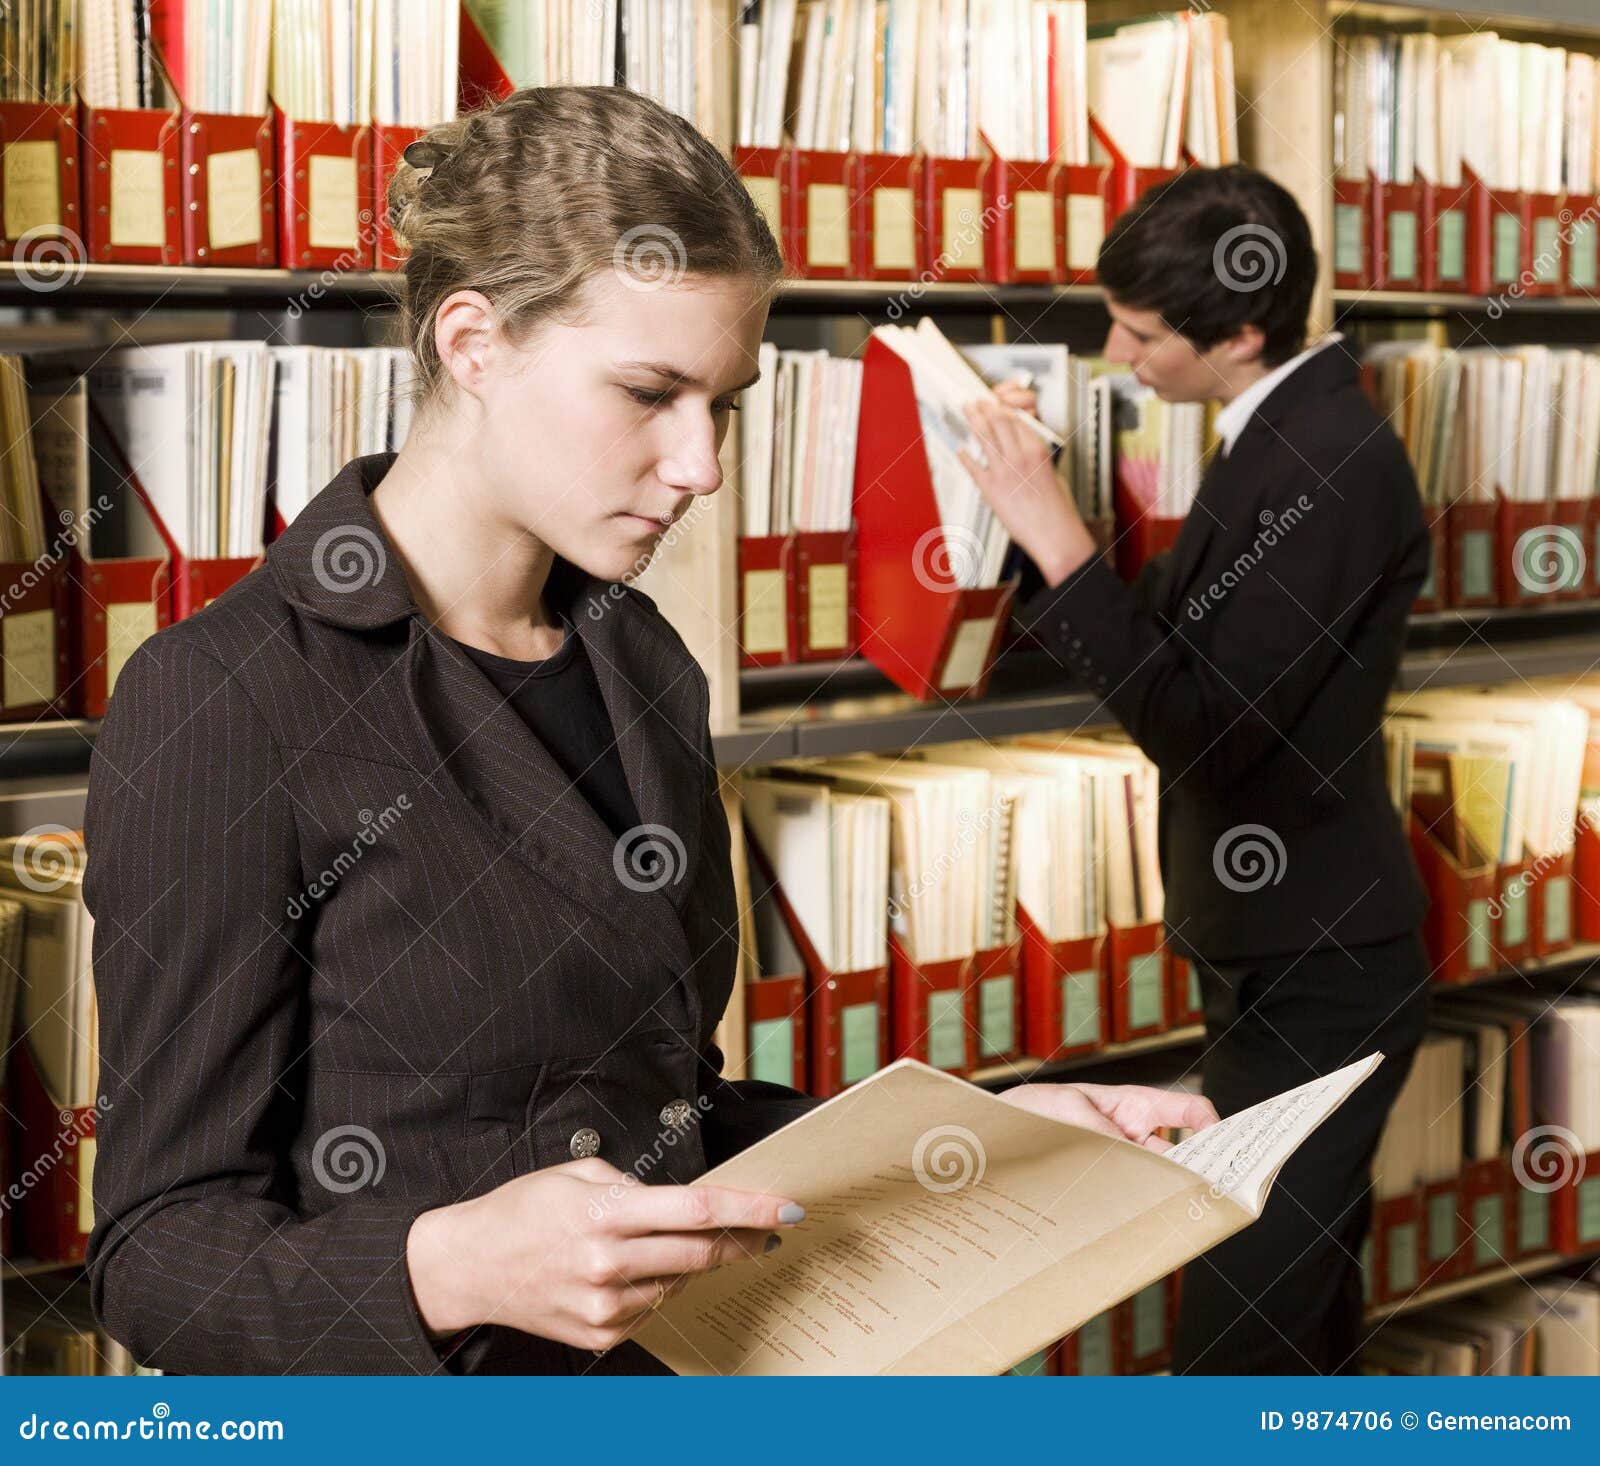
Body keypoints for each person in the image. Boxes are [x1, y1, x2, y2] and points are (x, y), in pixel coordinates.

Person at [82, 85, 1218, 1378]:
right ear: (472, 341)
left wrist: (978, 1142)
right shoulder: (229, 697)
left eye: (722, 401)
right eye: (649, 391)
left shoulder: (645, 662)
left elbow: (669, 1122)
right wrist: (447, 1264)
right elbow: (157, 1253)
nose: (704, 463)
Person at [960, 164, 1433, 1375]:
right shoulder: (1273, 430)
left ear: (1237, 331)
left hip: (1322, 957)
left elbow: (1209, 730)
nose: (1117, 353)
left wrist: (1053, 531)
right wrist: (1037, 519)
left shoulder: (1327, 459)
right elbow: (1183, 641)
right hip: (1277, 943)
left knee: (1244, 1316)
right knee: (1295, 1297)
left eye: (1141, 333)